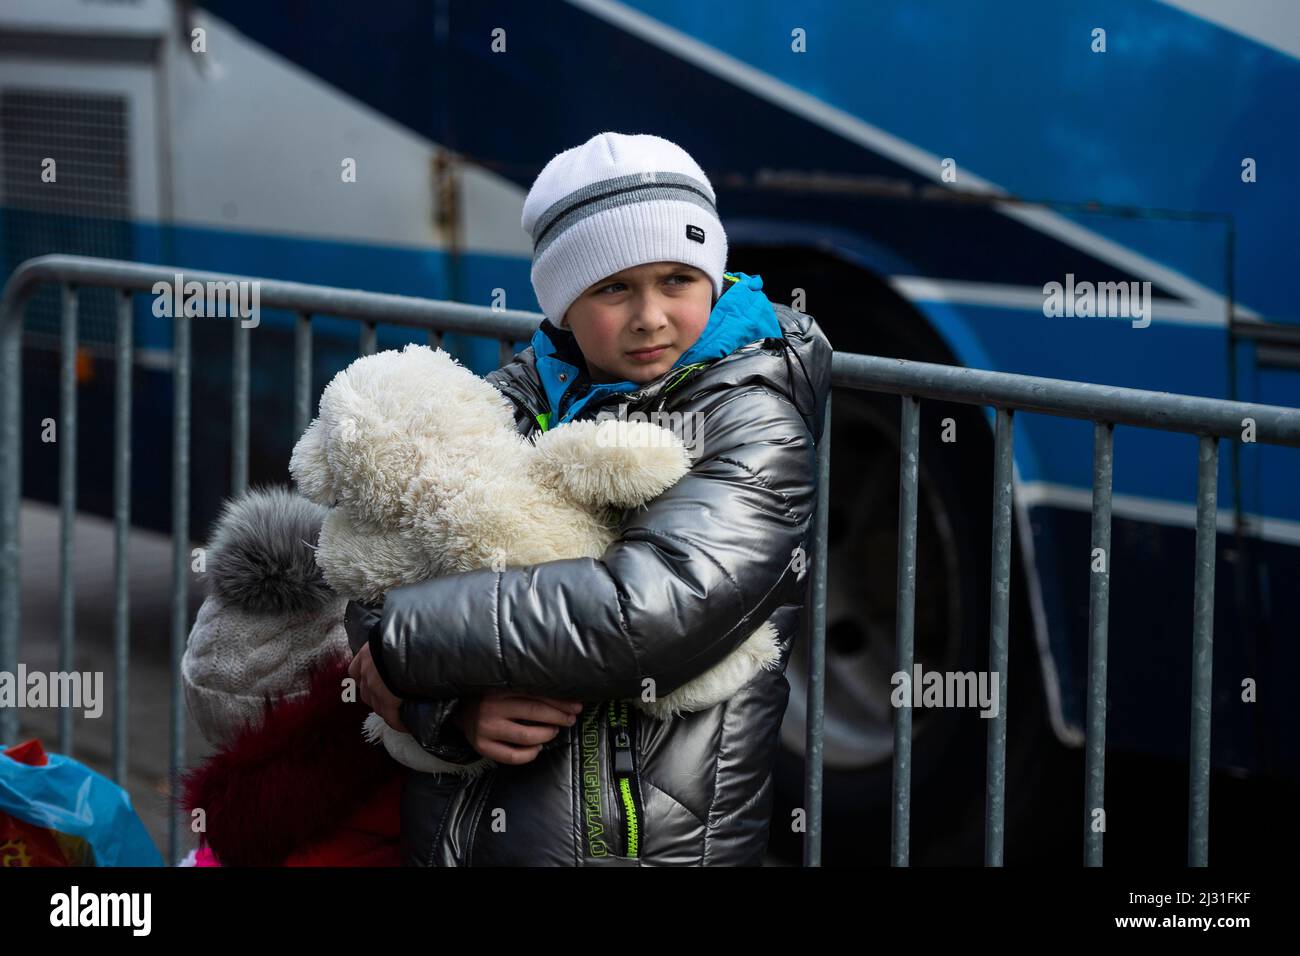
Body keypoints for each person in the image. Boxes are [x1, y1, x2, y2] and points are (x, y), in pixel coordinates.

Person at [347, 131, 832, 865]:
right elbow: (383, 564)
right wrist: (445, 709)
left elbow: (648, 610)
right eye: (612, 287)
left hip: (640, 849)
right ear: (563, 302)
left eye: (678, 278)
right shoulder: (509, 399)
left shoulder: (753, 417)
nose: (650, 315)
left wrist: (397, 645)